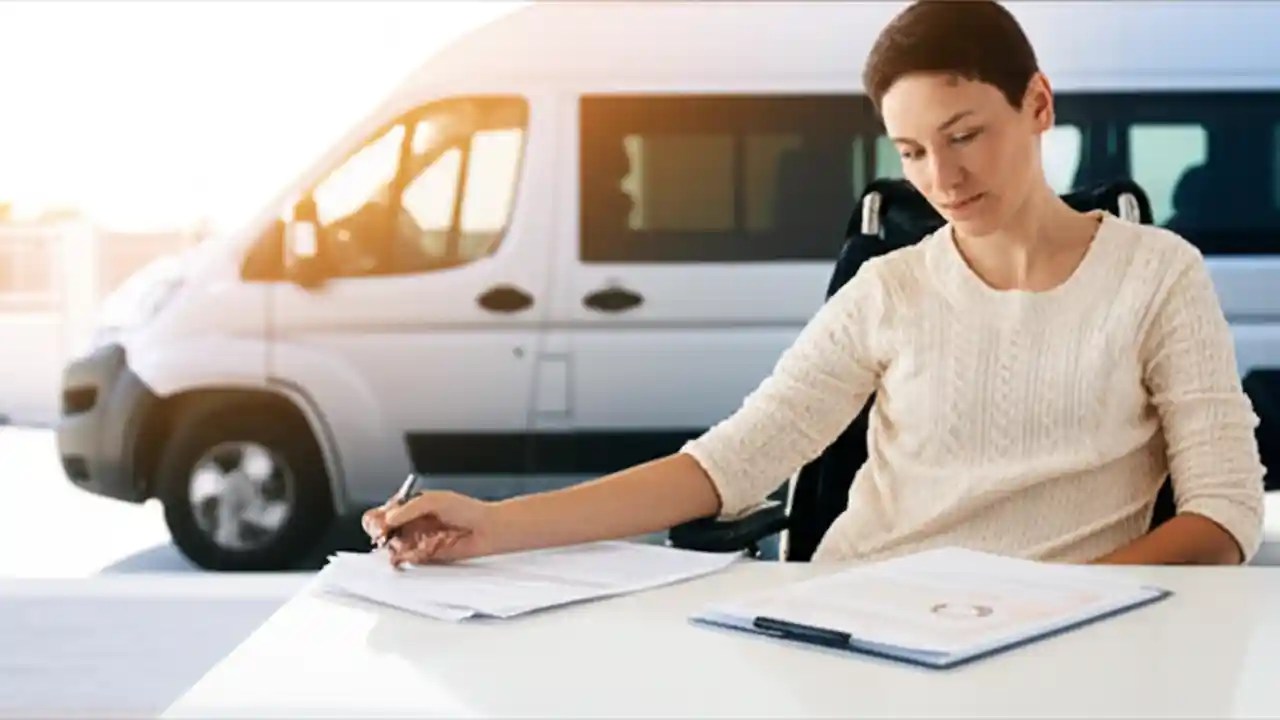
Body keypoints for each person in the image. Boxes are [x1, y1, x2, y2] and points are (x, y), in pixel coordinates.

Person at [363, 0, 1266, 568]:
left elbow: (1226, 519)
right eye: (912, 151)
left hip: (1065, 653)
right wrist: (491, 524)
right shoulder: (888, 290)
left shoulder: (1156, 276)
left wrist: (1045, 613)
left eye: (965, 134)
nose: (942, 179)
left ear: (1037, 105)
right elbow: (727, 464)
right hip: (861, 625)